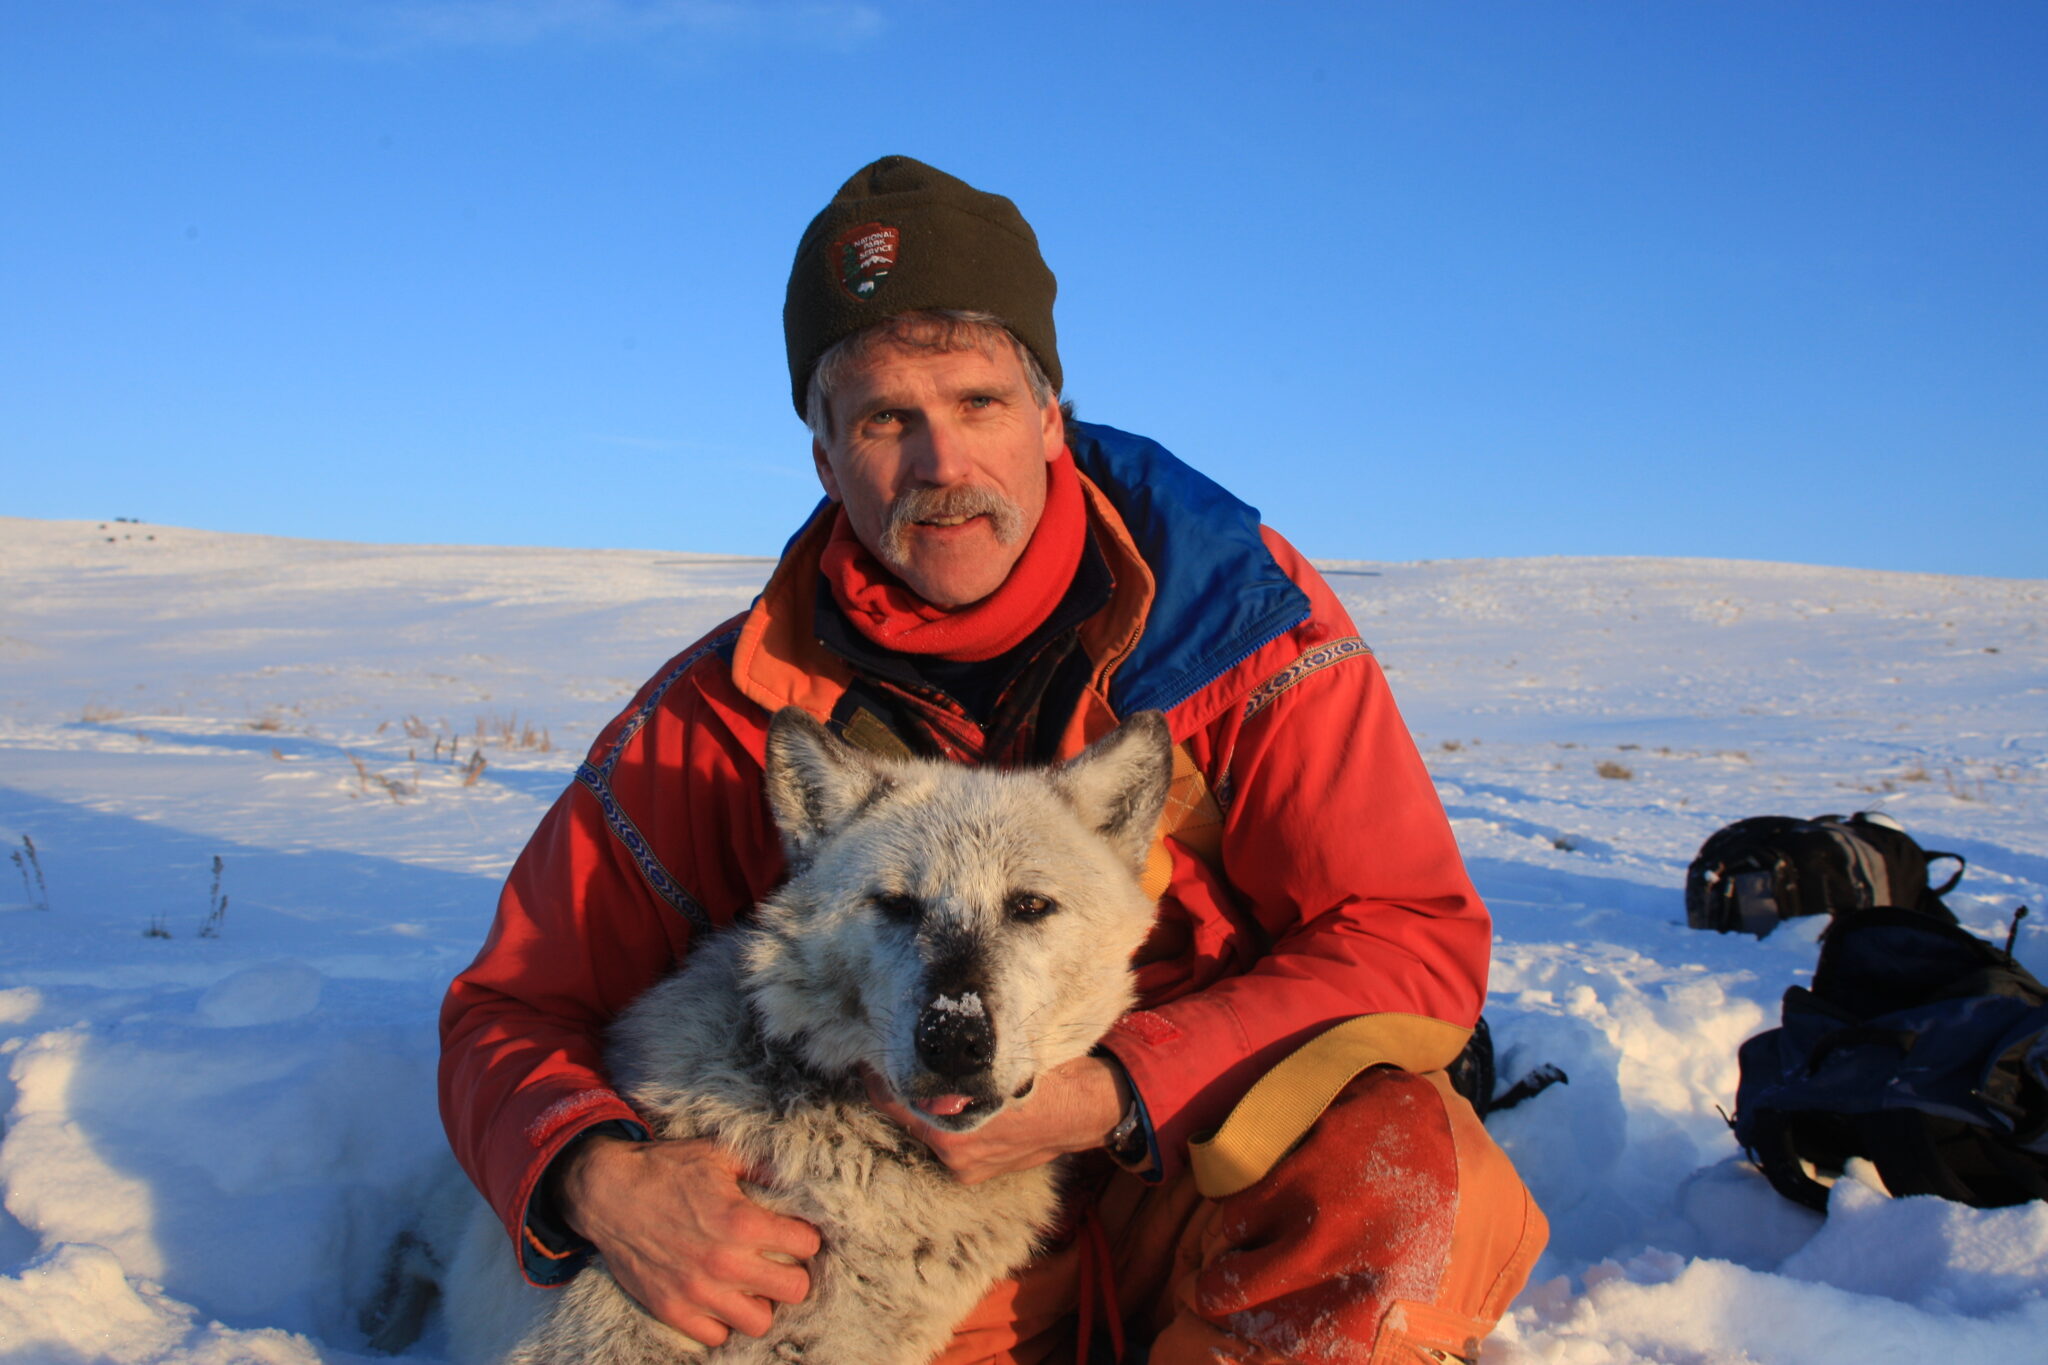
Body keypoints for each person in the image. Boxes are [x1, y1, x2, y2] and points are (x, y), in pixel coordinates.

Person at [440, 155, 1546, 1365]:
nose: (940, 465)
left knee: (1401, 1178)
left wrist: (1119, 1090)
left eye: (975, 403)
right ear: (821, 456)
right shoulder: (718, 715)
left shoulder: (1238, 623)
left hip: (1186, 1163)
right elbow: (510, 1009)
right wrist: (595, 1181)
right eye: (882, 420)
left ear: (1047, 415)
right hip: (913, 1227)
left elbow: (1407, 933)